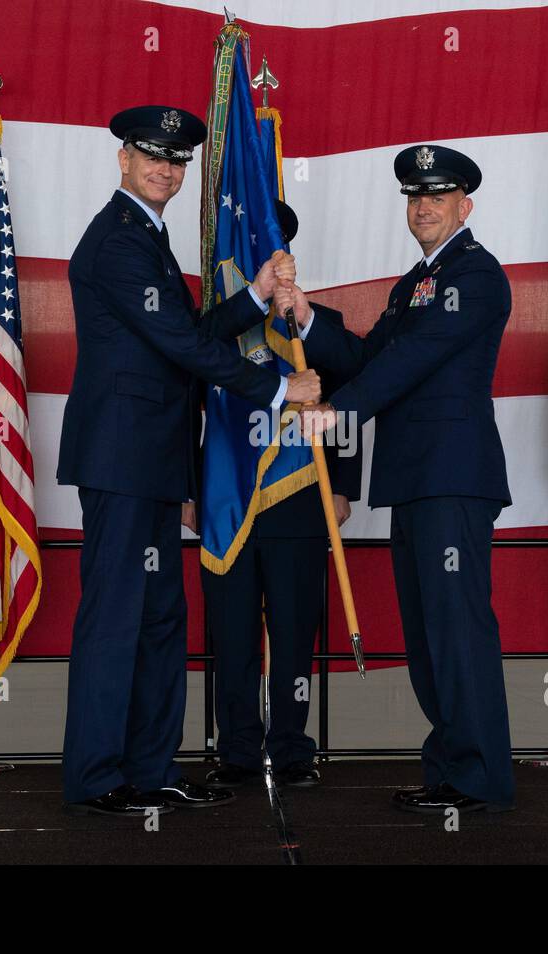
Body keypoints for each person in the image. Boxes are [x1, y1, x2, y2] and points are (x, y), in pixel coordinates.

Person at [57, 105, 320, 816]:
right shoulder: (118, 242)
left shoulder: (148, 238)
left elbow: (189, 329)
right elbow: (184, 348)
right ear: (122, 160)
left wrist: (257, 296)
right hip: (121, 460)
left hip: (151, 461)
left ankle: (146, 769)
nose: (166, 168)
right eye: (152, 156)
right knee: (117, 617)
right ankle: (96, 774)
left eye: (176, 160)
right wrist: (276, 386)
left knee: (160, 618)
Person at [276, 144, 515, 813]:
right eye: (415, 198)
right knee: (428, 631)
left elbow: (409, 361)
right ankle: (449, 770)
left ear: (464, 205)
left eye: (436, 198)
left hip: (452, 476)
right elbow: (361, 357)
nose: (424, 208)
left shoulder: (477, 275)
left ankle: (478, 779)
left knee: (457, 629)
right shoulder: (413, 284)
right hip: (414, 478)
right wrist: (306, 318)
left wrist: (335, 415)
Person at [199, 202, 363, 791]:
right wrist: (189, 490)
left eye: (275, 247)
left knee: (295, 630)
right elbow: (188, 412)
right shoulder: (214, 327)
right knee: (234, 634)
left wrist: (341, 486)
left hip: (298, 497)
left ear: (288, 254)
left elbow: (350, 391)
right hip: (228, 498)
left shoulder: (317, 323)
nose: (265, 259)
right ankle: (239, 749)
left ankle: (292, 746)